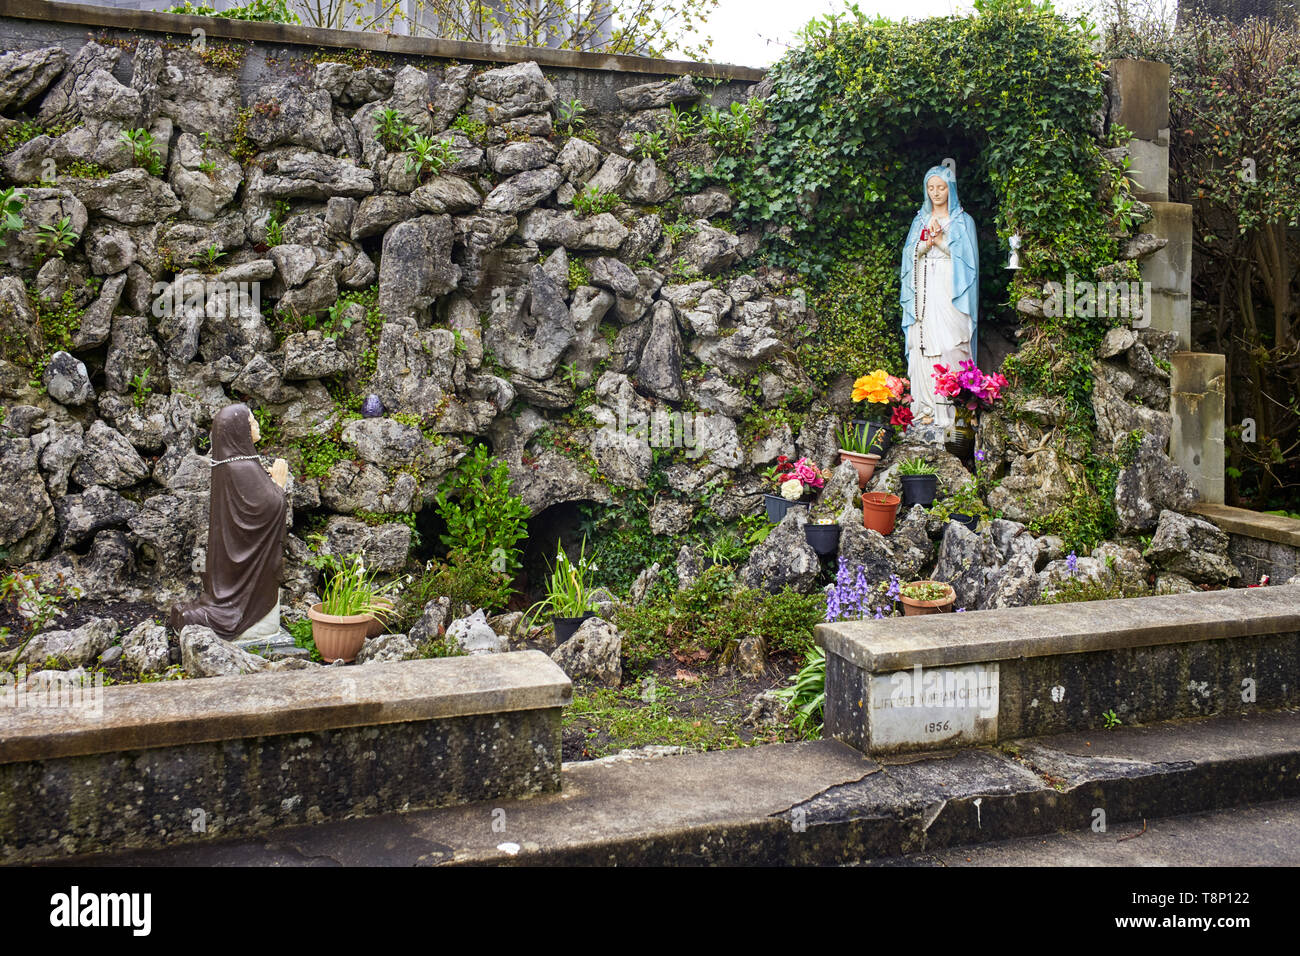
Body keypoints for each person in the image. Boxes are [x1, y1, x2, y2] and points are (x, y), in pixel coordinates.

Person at [169, 403, 289, 639]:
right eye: (251, 422)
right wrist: (279, 485)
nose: (256, 425)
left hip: (235, 553)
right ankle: (239, 621)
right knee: (230, 610)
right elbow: (269, 508)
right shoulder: (243, 467)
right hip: (246, 563)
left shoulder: (228, 464)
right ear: (237, 430)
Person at [899, 164, 979, 430]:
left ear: (950, 189)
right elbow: (908, 258)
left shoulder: (963, 221)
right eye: (931, 188)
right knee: (920, 345)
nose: (935, 193)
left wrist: (942, 241)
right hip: (923, 291)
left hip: (950, 290)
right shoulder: (919, 220)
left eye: (941, 187)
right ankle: (925, 409)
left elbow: (968, 263)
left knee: (950, 344)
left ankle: (953, 412)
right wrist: (924, 245)